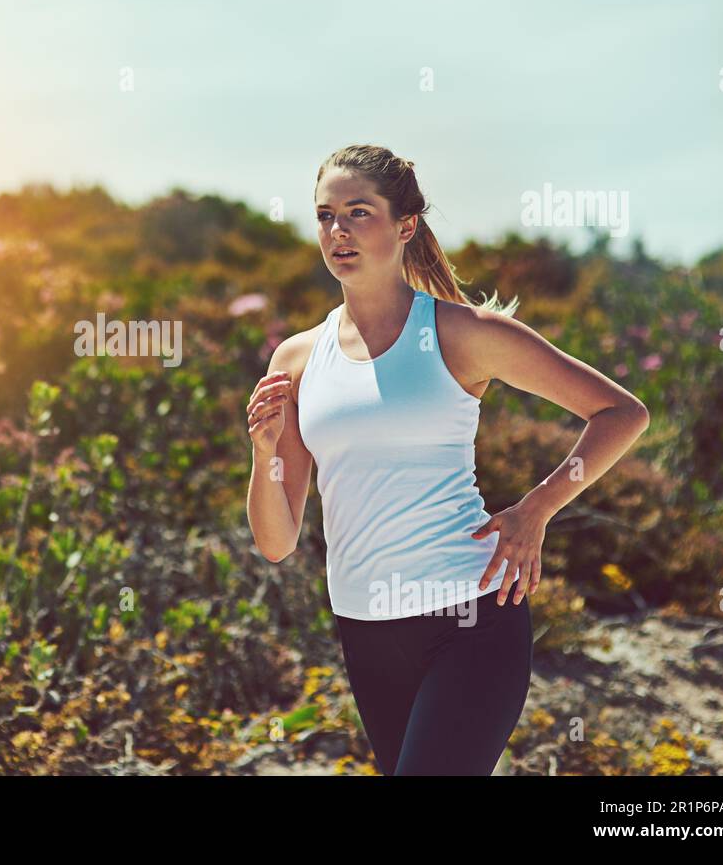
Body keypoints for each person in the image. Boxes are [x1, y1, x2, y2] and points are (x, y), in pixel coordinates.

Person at [245, 144, 650, 775]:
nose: (338, 231)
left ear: (405, 226)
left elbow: (621, 414)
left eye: (358, 212)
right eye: (325, 216)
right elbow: (276, 542)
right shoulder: (297, 360)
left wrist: (536, 509)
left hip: (470, 621)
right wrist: (263, 454)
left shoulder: (465, 333)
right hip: (365, 629)